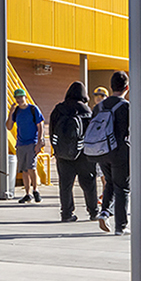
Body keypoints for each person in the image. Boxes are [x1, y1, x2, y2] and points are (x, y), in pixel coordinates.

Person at [48, 82, 98, 222]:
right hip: (84, 155)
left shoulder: (59, 109)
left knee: (65, 185)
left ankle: (67, 213)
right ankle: (93, 211)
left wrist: (57, 150)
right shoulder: (87, 111)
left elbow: (52, 131)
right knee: (89, 183)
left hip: (63, 155)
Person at [93, 72, 133, 235]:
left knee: (109, 182)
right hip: (120, 151)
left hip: (102, 150)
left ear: (111, 87)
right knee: (122, 187)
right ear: (127, 88)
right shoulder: (126, 106)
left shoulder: (99, 107)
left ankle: (104, 212)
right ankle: (121, 226)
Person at [10, 88, 44, 204]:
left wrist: (39, 142)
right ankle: (27, 193)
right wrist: (11, 112)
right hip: (20, 143)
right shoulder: (16, 111)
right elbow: (9, 126)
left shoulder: (33, 109)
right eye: (17, 98)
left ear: (25, 97)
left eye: (21, 97)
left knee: (31, 167)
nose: (19, 100)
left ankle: (36, 190)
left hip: (32, 142)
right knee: (24, 169)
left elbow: (40, 126)